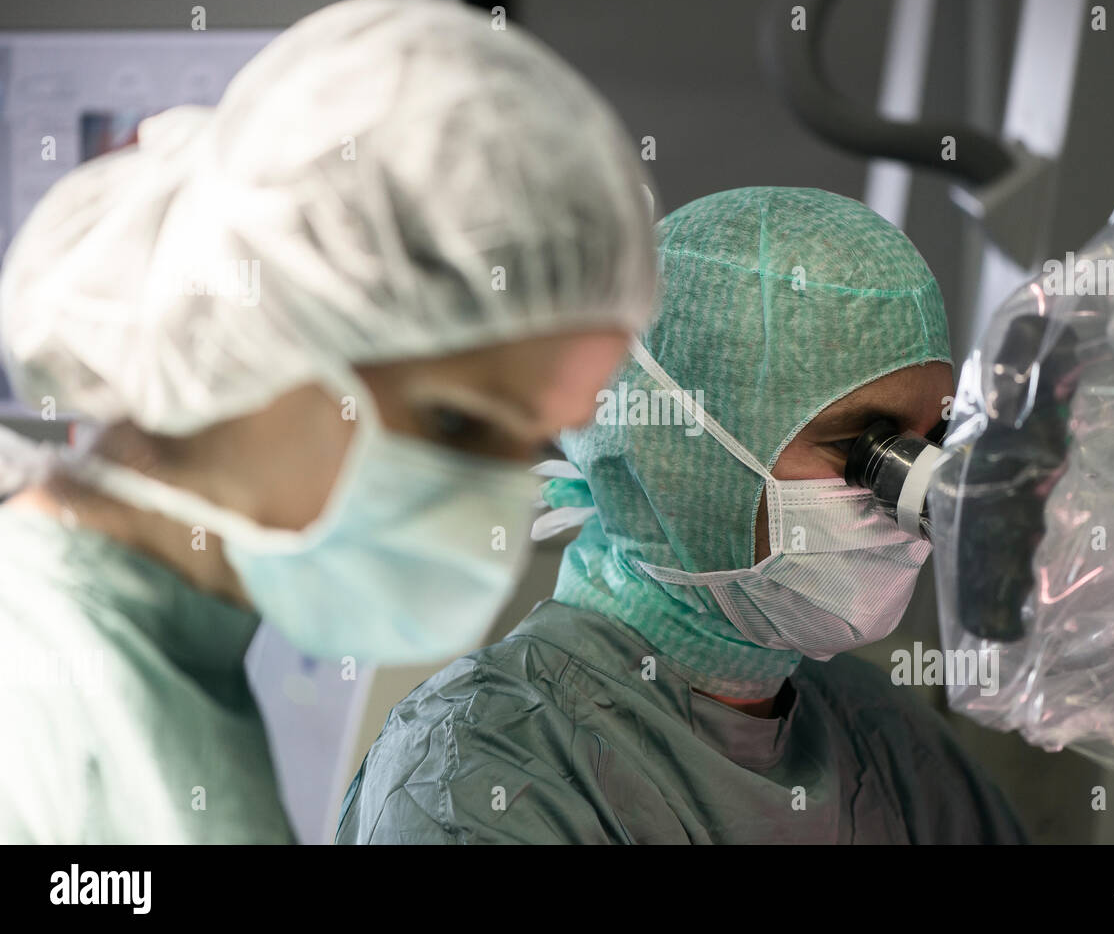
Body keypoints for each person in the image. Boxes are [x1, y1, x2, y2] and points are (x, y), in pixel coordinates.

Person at [0, 0, 657, 843]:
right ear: (259, 334)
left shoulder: (160, 659)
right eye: (457, 426)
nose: (495, 511)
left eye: (533, 445)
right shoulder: (43, 728)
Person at [336, 186, 1027, 844]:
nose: (911, 507)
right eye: (864, 448)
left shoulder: (882, 733)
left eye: (932, 442)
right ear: (678, 461)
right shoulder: (480, 776)